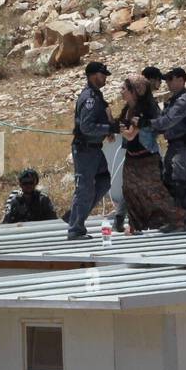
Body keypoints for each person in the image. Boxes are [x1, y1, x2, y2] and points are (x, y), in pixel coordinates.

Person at [117, 72, 183, 233]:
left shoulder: (142, 111)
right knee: (130, 192)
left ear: (134, 91)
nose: (121, 91)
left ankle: (177, 221)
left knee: (156, 192)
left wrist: (116, 129)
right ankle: (135, 226)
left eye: (124, 88)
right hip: (132, 157)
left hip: (146, 158)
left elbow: (131, 134)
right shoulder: (128, 109)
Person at [66, 61, 119, 240]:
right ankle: (75, 229)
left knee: (104, 182)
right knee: (85, 189)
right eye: (102, 74)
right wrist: (109, 129)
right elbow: (87, 127)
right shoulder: (89, 98)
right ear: (92, 75)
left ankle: (76, 215)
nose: (104, 78)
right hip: (85, 149)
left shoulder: (97, 96)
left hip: (95, 149)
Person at [152, 67, 186, 230]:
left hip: (183, 145)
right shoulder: (174, 100)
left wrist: (147, 124)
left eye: (171, 79)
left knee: (179, 181)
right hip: (174, 144)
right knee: (170, 180)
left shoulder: (184, 100)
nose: (168, 83)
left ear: (181, 80)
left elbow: (167, 121)